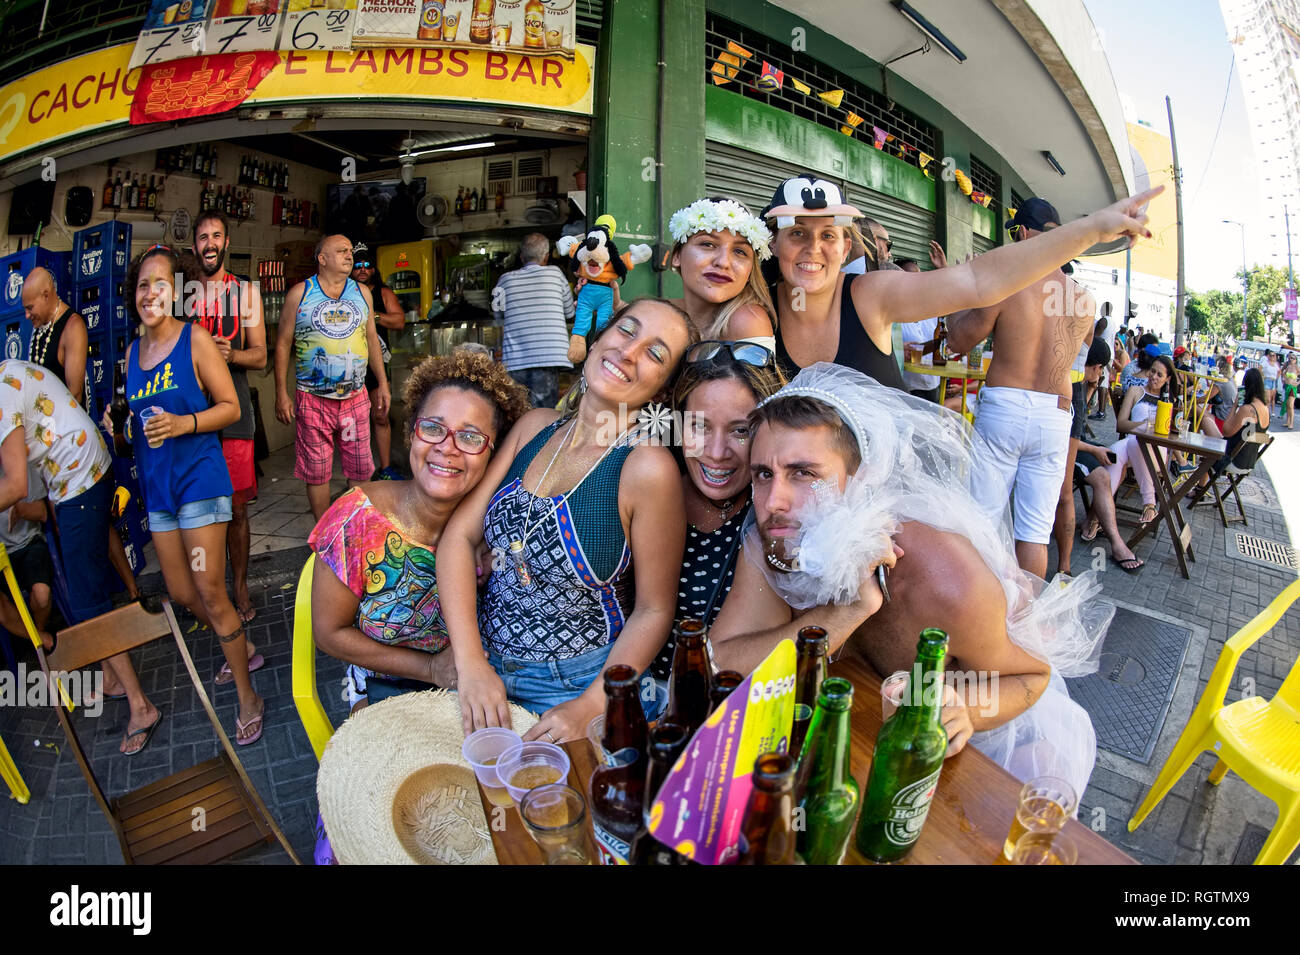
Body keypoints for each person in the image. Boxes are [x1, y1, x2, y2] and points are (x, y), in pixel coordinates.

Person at [709, 364, 1109, 796]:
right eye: (764, 473)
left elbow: (1032, 677)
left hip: (988, 748)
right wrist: (845, 612)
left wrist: (968, 709)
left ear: (860, 479)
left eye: (803, 473)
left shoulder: (944, 577)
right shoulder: (776, 537)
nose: (773, 500)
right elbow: (719, 664)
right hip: (860, 730)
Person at [440, 298, 697, 741]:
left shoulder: (645, 468)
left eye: (656, 354)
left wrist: (592, 705)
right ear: (598, 338)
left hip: (576, 686)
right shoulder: (533, 428)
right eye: (626, 331)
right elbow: (459, 540)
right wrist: (471, 664)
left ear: (662, 390)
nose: (629, 352)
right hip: (484, 673)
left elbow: (654, 610)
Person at [759, 174, 1159, 392]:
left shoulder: (869, 295)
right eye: (797, 233)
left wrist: (1090, 230)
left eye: (827, 235)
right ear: (773, 241)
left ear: (846, 245)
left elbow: (978, 278)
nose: (813, 248)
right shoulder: (754, 311)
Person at [104, 245, 263, 745]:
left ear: (177, 292)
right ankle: (237, 637)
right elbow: (137, 423)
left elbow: (231, 407)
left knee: (211, 591)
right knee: (180, 593)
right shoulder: (130, 353)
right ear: (134, 296)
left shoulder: (194, 341)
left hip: (199, 479)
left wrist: (184, 424)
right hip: (158, 489)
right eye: (142, 285)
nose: (151, 292)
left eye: (160, 283)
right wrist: (123, 426)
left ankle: (247, 695)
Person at [310, 352, 531, 711]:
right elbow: (329, 633)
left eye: (471, 437)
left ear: (495, 454)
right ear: (411, 432)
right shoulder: (355, 519)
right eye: (432, 427)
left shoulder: (499, 523)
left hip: (483, 687)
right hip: (382, 687)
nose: (447, 448)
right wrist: (429, 668)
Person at [0, 360, 160, 754]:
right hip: (83, 471)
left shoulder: (1, 393)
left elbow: (17, 484)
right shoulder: (7, 372)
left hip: (77, 482)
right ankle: (111, 679)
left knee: (89, 602)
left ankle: (141, 707)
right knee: (86, 587)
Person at [946, 198, 1097, 579]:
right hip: (1056, 412)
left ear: (1025, 233)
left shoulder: (1010, 284)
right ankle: (1025, 620)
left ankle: (978, 618)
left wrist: (961, 290)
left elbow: (959, 340)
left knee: (981, 523)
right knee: (1033, 534)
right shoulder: (1084, 299)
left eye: (1015, 233)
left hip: (1006, 408)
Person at [650, 339, 784, 683]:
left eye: (741, 430)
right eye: (700, 426)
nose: (717, 452)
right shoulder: (646, 489)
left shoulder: (776, 513)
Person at [22, 265, 142, 613]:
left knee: (96, 521)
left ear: (47, 295)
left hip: (74, 452)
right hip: (52, 455)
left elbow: (72, 391)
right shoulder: (40, 329)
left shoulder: (72, 325)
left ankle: (120, 597)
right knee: (90, 525)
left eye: (31, 307)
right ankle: (110, 598)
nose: (28, 315)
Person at [273, 234, 391, 521]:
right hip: (312, 398)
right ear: (322, 259)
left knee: (360, 468)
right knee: (317, 471)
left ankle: (354, 528)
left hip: (354, 398)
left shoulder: (362, 292)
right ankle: (323, 534)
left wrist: (383, 383)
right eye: (341, 251)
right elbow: (282, 343)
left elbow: (372, 340)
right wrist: (281, 393)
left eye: (350, 250)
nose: (349, 256)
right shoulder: (300, 294)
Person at [188, 210, 268, 626]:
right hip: (191, 419)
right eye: (203, 237)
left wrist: (230, 354)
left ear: (226, 242)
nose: (209, 244)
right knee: (202, 509)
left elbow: (261, 355)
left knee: (236, 509)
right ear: (194, 245)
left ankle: (238, 584)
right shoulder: (182, 296)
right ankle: (209, 588)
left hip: (234, 416)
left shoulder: (246, 294)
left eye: (216, 236)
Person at [666, 197, 777, 348]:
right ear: (677, 255)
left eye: (739, 251)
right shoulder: (663, 313)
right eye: (708, 244)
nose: (723, 262)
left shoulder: (748, 321)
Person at [490, 233, 575, 409]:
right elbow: (569, 312)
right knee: (542, 413)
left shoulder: (504, 280)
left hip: (516, 360)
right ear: (546, 256)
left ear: (522, 257)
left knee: (517, 412)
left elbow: (498, 316)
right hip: (547, 357)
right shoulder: (556, 274)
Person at [349, 243, 405, 480]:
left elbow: (399, 321)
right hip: (350, 362)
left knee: (380, 415)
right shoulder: (343, 292)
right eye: (357, 265)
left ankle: (386, 468)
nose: (362, 269)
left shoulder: (383, 293)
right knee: (350, 420)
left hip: (376, 362)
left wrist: (373, 316)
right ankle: (359, 471)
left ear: (373, 269)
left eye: (366, 265)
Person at [1104, 354, 1178, 527]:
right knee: (1115, 454)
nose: (1154, 376)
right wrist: (1142, 427)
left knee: (1133, 443)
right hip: (1132, 444)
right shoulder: (1136, 391)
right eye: (1152, 371)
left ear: (1167, 379)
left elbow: (1172, 433)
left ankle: (1097, 518)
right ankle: (1099, 516)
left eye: (1160, 375)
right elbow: (1121, 424)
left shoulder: (1169, 401)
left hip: (1156, 452)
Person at [1052, 335, 1101, 578]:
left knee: (1063, 491)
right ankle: (1063, 567)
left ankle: (1064, 567)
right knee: (1060, 492)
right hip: (1055, 387)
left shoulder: (1079, 302)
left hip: (1064, 388)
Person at [1190, 367, 1271, 502]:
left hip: (1232, 460)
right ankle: (1199, 487)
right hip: (1248, 461)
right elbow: (1260, 437)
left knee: (1205, 422)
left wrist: (1234, 407)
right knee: (1207, 423)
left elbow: (1226, 431)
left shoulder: (1248, 409)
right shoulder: (1265, 409)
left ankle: (1197, 481)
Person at [0, 463, 55, 650]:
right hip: (1, 556)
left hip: (29, 544)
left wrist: (21, 510)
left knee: (41, 595)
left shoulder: (18, 469)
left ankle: (37, 631)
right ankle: (42, 640)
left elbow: (43, 513)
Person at [1074, 443, 1144, 574]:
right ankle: (1117, 545)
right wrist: (1094, 449)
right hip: (1063, 446)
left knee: (1118, 461)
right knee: (1103, 477)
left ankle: (1092, 519)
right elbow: (1066, 436)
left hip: (1078, 442)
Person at [896, 248, 948, 403]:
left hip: (933, 386)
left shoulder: (930, 308)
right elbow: (907, 350)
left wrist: (943, 270)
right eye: (910, 278)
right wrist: (938, 344)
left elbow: (954, 301)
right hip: (906, 390)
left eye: (920, 277)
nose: (917, 282)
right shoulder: (893, 313)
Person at [1282, 354, 1297, 429]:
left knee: (1291, 405)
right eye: (1290, 358)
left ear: (1295, 360)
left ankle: (1291, 423)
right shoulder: (1288, 367)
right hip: (1287, 386)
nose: (1291, 359)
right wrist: (1284, 379)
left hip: (1292, 388)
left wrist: (1297, 383)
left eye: (1293, 358)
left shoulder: (1297, 367)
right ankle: (1287, 422)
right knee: (1287, 405)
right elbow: (1283, 373)